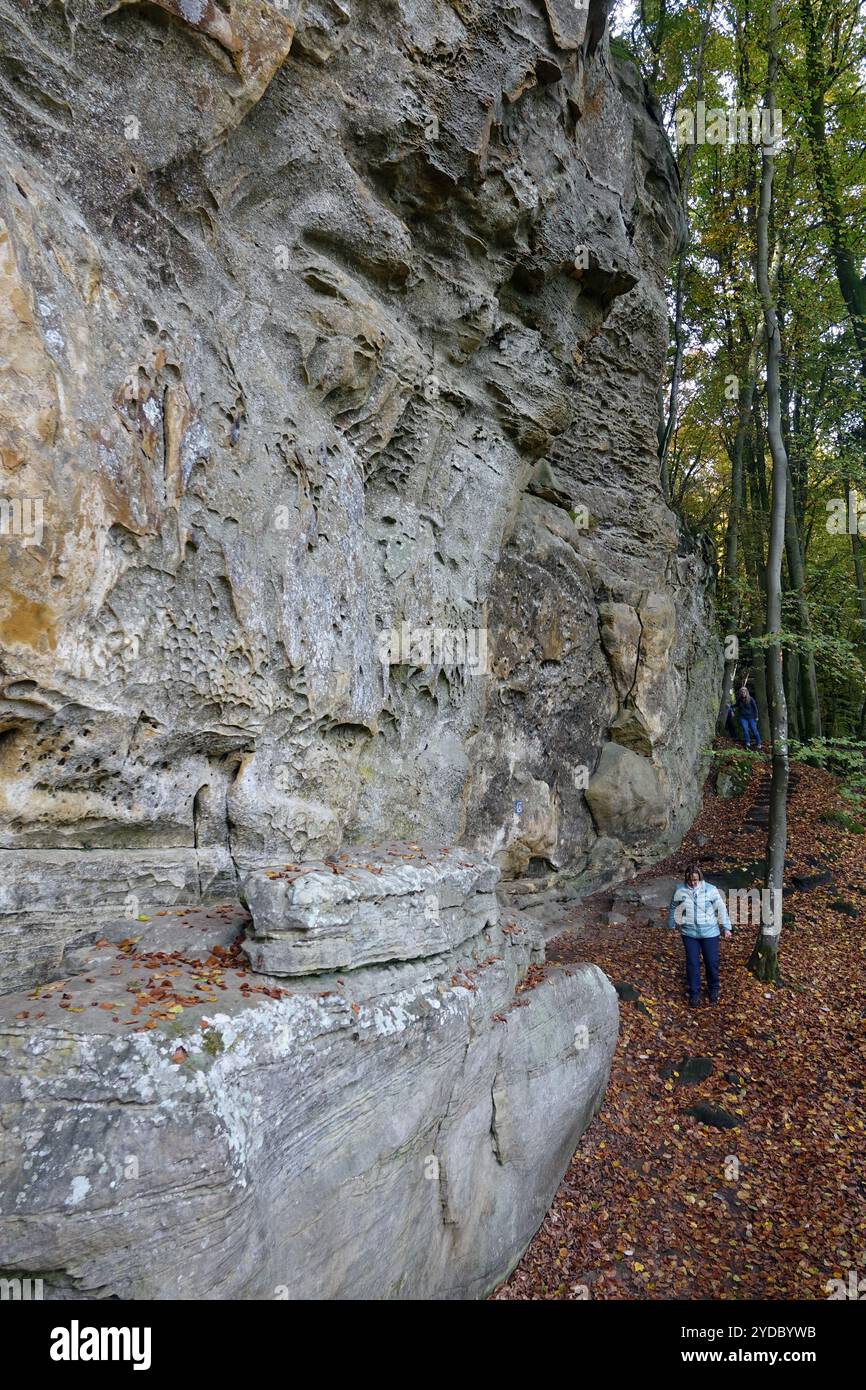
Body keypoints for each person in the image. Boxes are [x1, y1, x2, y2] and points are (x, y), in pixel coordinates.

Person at [668, 863, 732, 1007]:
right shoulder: (680, 890)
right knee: (692, 963)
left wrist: (726, 927)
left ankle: (713, 989)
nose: (693, 883)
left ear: (700, 878)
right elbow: (673, 907)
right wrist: (671, 923)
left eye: (695, 880)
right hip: (689, 933)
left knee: (711, 962)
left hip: (710, 933)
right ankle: (694, 993)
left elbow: (721, 908)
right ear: (686, 878)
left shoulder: (711, 890)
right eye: (690, 880)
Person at [736, 684, 761, 750]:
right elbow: (736, 705)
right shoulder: (739, 699)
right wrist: (730, 707)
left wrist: (756, 716)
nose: (743, 693)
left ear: (746, 692)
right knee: (745, 729)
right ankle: (747, 742)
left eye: (744, 692)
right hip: (743, 717)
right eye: (741, 692)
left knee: (754, 730)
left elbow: (755, 708)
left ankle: (758, 743)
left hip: (751, 717)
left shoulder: (751, 699)